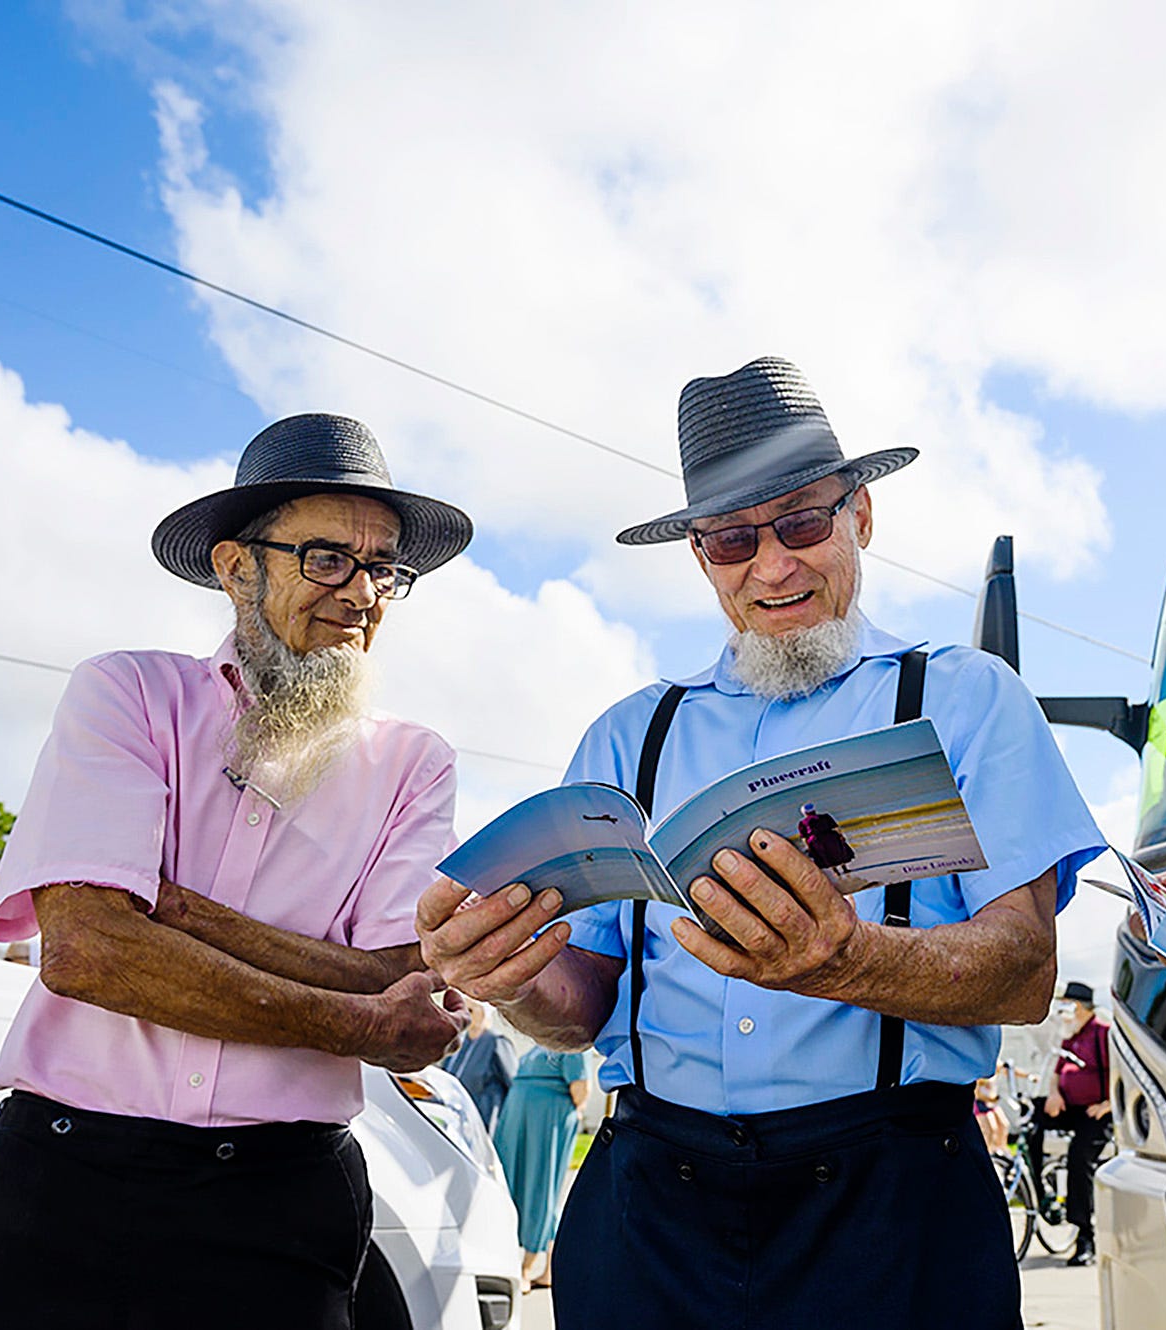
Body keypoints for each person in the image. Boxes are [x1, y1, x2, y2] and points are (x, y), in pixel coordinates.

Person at [418, 355, 1106, 1330]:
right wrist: (510, 973)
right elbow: (584, 1004)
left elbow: (1022, 971)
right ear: (698, 556)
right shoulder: (629, 734)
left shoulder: (960, 696)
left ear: (859, 517)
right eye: (733, 538)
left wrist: (844, 956)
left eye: (800, 522)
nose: (771, 564)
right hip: (651, 1202)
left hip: (892, 1202)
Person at [0, 414, 476, 1330]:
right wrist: (357, 1018)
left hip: (280, 1201)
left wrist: (178, 913)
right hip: (58, 1183)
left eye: (384, 568)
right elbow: (88, 954)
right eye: (329, 558)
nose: (363, 593)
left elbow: (402, 979)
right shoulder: (129, 693)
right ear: (235, 567)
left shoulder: (415, 763)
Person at [1025, 980, 1111, 1266]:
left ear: (1077, 1006)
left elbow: (1124, 1072)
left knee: (1079, 1157)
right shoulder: (1070, 1036)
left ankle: (1085, 1237)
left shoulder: (1103, 1034)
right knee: (1032, 1123)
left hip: (1097, 1113)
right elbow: (1057, 1072)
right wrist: (1054, 1093)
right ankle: (1040, 1193)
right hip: (1071, 1106)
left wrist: (1107, 1104)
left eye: (1065, 1004)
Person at [493, 1044, 591, 1290]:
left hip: (548, 1122)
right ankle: (548, 1269)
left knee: (541, 1186)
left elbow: (581, 1089)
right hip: (522, 1120)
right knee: (517, 1184)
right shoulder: (539, 1045)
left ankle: (527, 1266)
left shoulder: (572, 1042)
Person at [444, 998, 520, 1129]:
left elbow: (513, 1084)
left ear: (484, 1013)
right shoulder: (460, 1042)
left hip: (483, 1115)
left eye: (471, 1010)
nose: (466, 1015)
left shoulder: (497, 1042)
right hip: (455, 1111)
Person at [795, 800, 855, 873]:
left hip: (815, 840)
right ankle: (844, 868)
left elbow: (804, 837)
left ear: (804, 813)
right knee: (838, 851)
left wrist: (808, 846)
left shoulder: (802, 823)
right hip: (830, 837)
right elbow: (835, 827)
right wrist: (841, 835)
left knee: (825, 855)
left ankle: (835, 871)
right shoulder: (825, 816)